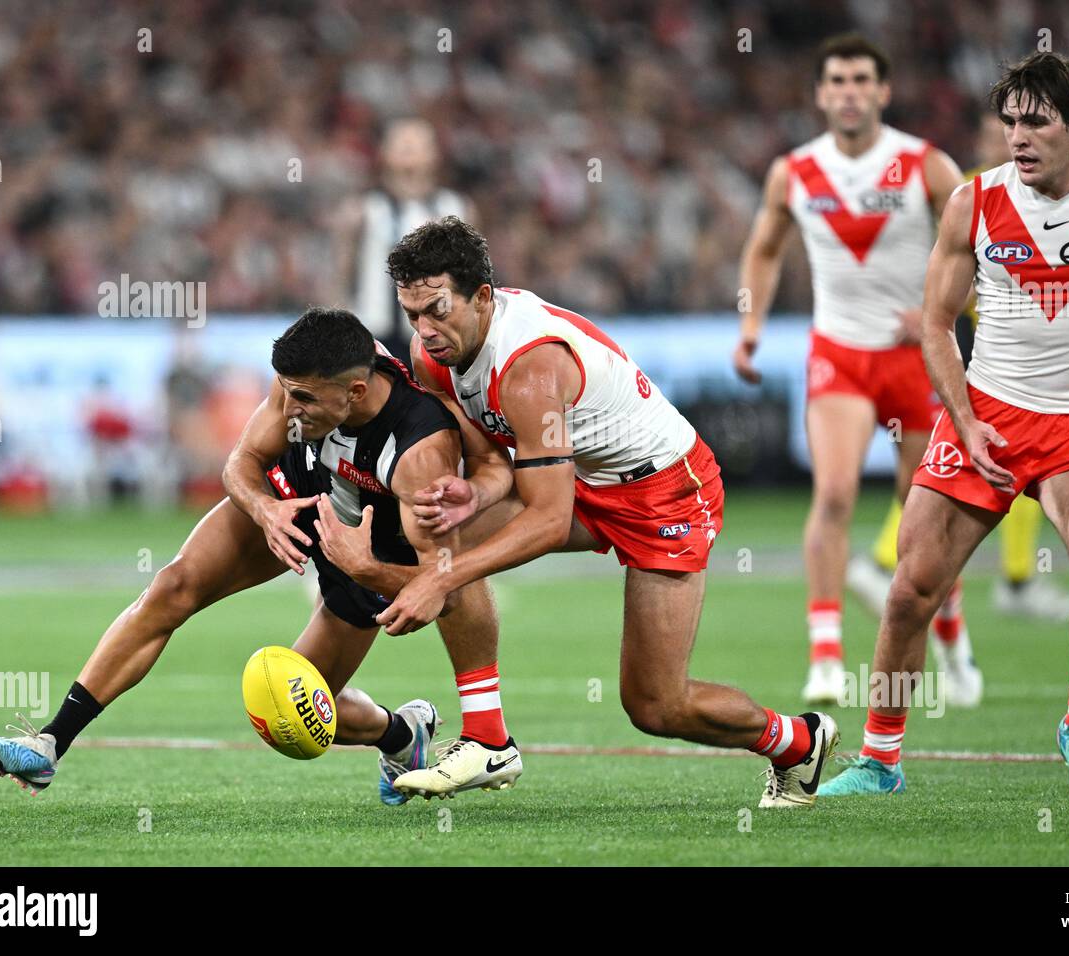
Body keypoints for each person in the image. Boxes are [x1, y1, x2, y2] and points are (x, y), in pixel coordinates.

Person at [314, 216, 839, 807]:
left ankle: (797, 741)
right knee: (437, 531)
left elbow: (542, 519)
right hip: (582, 477)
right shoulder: (436, 353)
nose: (425, 330)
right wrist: (479, 494)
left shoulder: (531, 368)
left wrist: (442, 578)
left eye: (438, 309)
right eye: (412, 314)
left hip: (664, 490)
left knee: (656, 706)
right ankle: (487, 737)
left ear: (482, 297)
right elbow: (491, 459)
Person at [818, 52, 1069, 799]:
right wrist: (963, 422)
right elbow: (935, 323)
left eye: (1036, 122)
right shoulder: (974, 203)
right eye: (1009, 123)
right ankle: (879, 760)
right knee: (909, 590)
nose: (1018, 138)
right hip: (989, 413)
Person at [0, 308, 497, 805]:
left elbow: (445, 585)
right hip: (293, 498)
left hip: (372, 550)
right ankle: (49, 743)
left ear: (355, 391)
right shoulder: (303, 376)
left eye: (305, 400)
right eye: (287, 394)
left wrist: (365, 569)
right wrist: (265, 510)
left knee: (294, 712)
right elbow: (241, 460)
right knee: (172, 585)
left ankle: (401, 734)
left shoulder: (421, 451)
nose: (290, 409)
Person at [732, 34, 979, 707]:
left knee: (924, 516)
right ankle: (825, 656)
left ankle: (953, 641)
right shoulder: (795, 172)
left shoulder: (924, 165)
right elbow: (762, 250)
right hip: (838, 355)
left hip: (916, 360)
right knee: (835, 494)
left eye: (860, 79)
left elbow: (979, 238)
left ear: (882, 91)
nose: (848, 91)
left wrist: (937, 306)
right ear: (820, 94)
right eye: (836, 80)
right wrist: (750, 325)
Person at [855, 112, 1069, 623]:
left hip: (1013, 346)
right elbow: (935, 265)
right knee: (959, 460)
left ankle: (1013, 578)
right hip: (969, 341)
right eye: (1003, 130)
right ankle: (887, 560)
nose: (1014, 140)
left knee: (1013, 462)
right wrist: (924, 310)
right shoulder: (971, 192)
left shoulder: (1041, 193)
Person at [336, 117, 474, 357]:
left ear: (434, 154)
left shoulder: (456, 209)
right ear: (384, 153)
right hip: (375, 334)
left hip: (440, 334)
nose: (409, 148)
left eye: (418, 143)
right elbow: (341, 274)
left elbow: (472, 277)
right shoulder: (362, 210)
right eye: (402, 143)